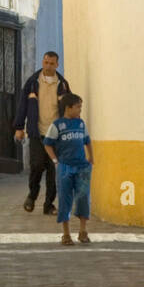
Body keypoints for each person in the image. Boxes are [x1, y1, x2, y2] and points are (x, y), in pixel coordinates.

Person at [14, 51, 69, 214]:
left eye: (52, 63)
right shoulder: (32, 82)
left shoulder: (63, 85)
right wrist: (19, 127)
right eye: (46, 62)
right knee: (36, 165)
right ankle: (32, 195)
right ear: (42, 62)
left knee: (54, 170)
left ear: (57, 65)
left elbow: (69, 107)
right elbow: (22, 105)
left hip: (56, 135)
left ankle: (49, 204)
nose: (48, 66)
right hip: (37, 132)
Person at [43, 92, 93, 245]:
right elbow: (48, 144)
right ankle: (66, 234)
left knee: (83, 197)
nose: (80, 110)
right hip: (64, 167)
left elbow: (87, 140)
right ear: (68, 108)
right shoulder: (57, 125)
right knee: (65, 199)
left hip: (82, 167)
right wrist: (55, 161)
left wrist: (91, 157)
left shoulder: (81, 124)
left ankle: (83, 231)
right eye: (78, 107)